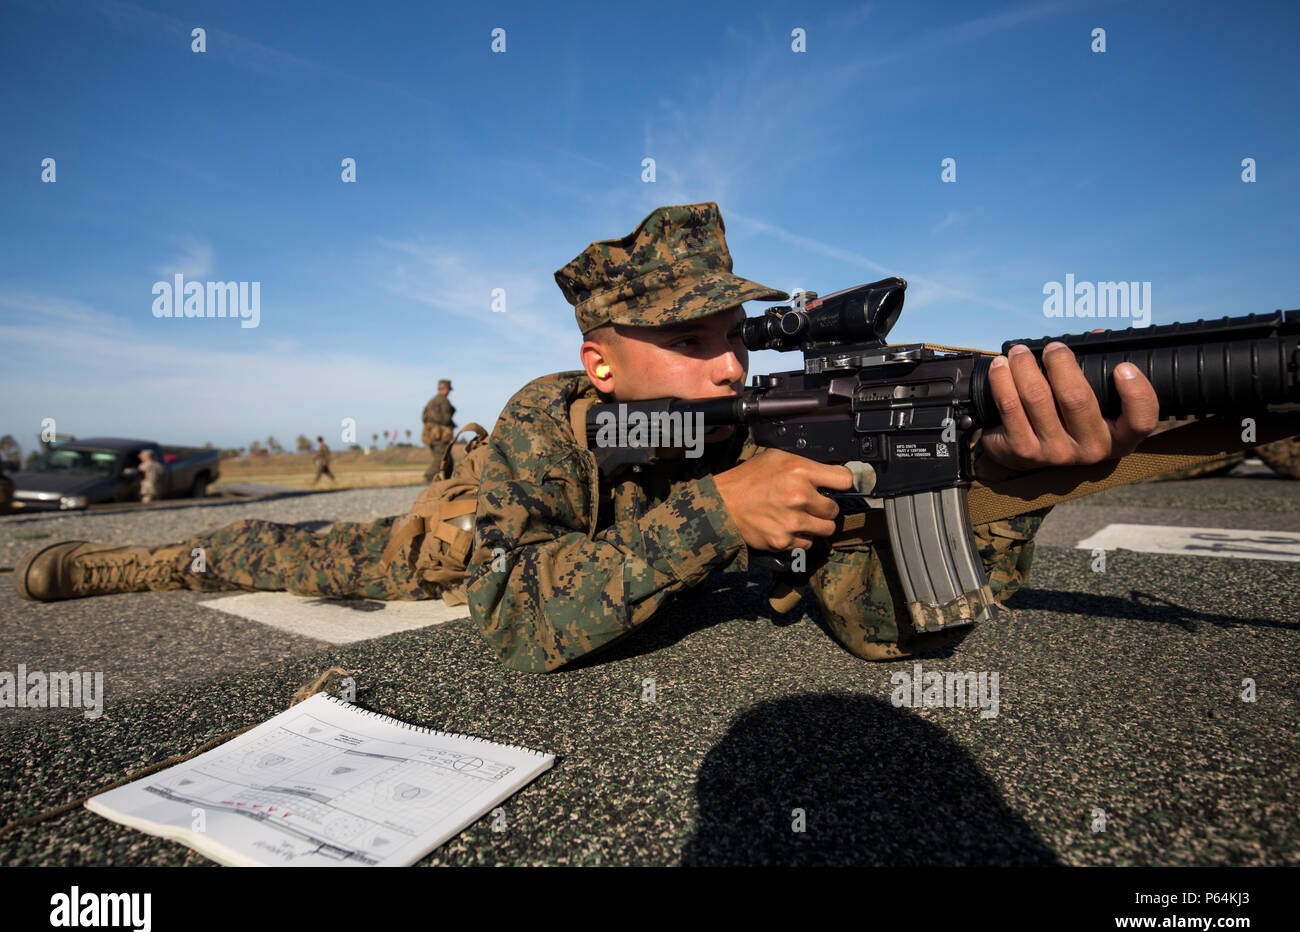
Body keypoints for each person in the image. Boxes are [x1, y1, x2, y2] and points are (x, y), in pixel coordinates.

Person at [13, 202, 1159, 674]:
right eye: (690, 339)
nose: (729, 363)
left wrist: (998, 485)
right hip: (482, 530)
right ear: (604, 361)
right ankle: (157, 556)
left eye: (736, 335)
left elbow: (880, 627)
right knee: (322, 552)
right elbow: (514, 625)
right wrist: (717, 513)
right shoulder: (551, 415)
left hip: (625, 540)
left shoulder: (768, 420)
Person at [422, 380, 456, 482]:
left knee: (448, 460)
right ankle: (429, 477)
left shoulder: (432, 401)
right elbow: (446, 419)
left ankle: (449, 481)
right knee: (441, 458)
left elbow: (424, 418)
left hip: (431, 434)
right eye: (449, 389)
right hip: (439, 435)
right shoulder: (444, 401)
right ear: (446, 389)